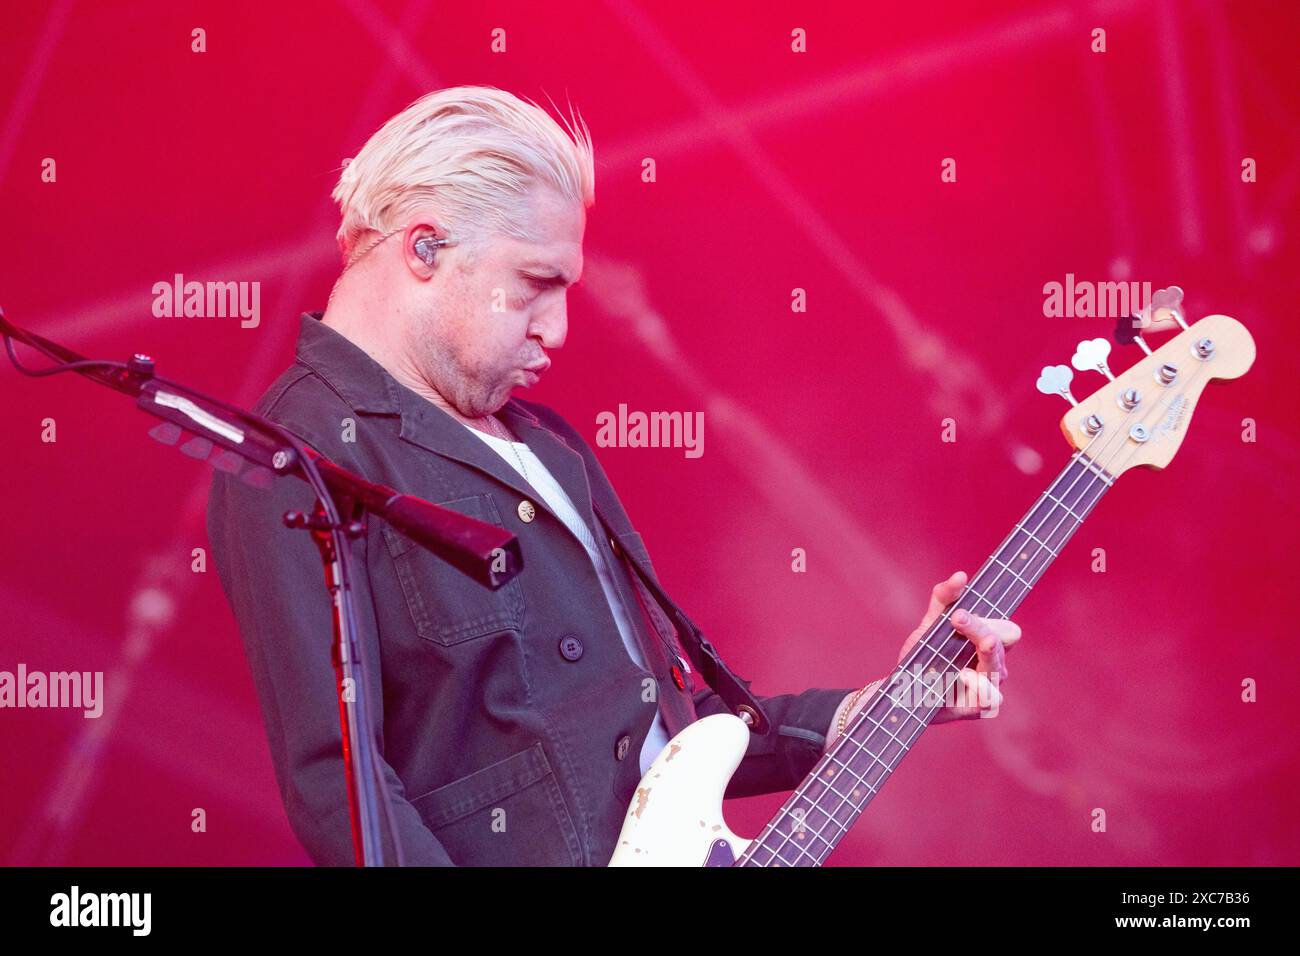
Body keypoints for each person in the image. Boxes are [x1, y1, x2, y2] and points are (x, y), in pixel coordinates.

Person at [205, 85, 1020, 866]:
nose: (557, 329)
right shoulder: (296, 454)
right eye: (535, 283)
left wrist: (897, 702)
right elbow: (340, 790)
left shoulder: (550, 446)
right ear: (426, 247)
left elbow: (673, 729)